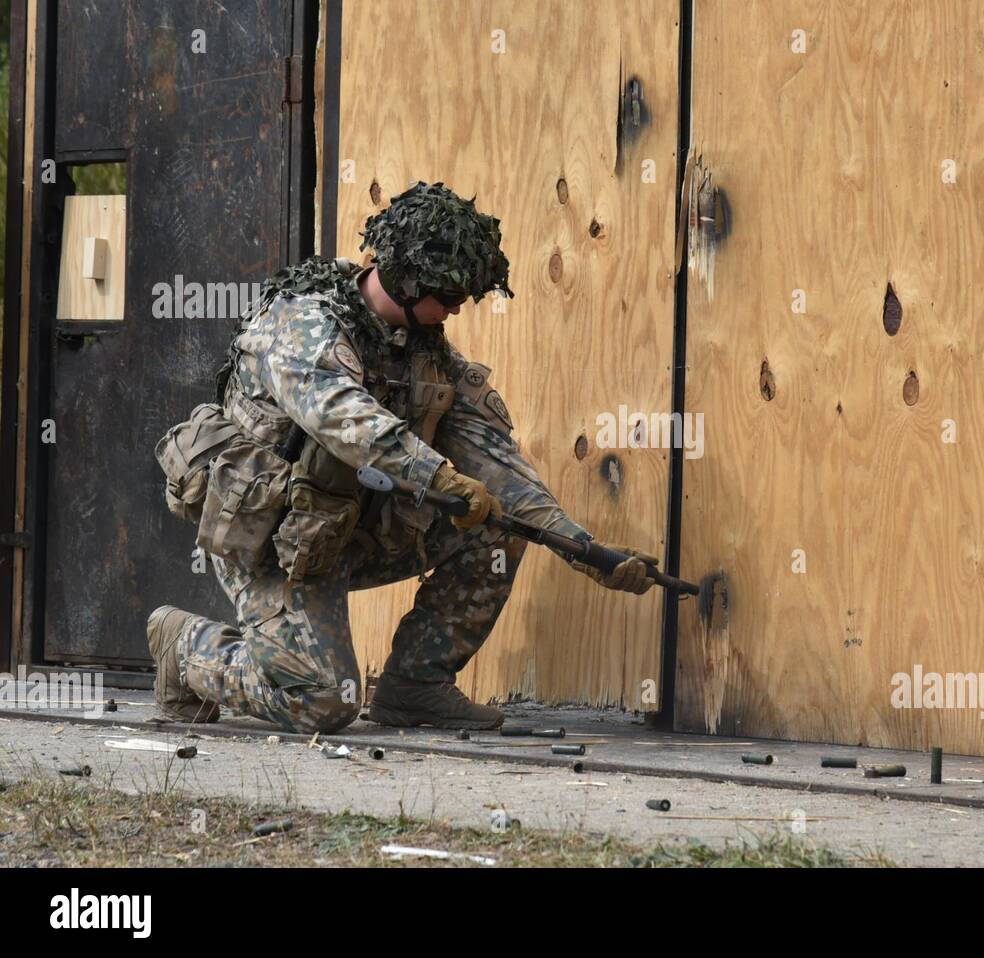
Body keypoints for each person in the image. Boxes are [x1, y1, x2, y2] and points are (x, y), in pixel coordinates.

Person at [149, 181, 657, 733]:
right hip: (270, 540)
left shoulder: (424, 349)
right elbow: (346, 419)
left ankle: (415, 686)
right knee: (323, 701)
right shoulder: (302, 323)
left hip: (343, 529)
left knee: (497, 525)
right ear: (411, 283)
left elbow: (497, 464)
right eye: (451, 296)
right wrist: (438, 475)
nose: (457, 310)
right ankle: (184, 648)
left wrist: (581, 548)